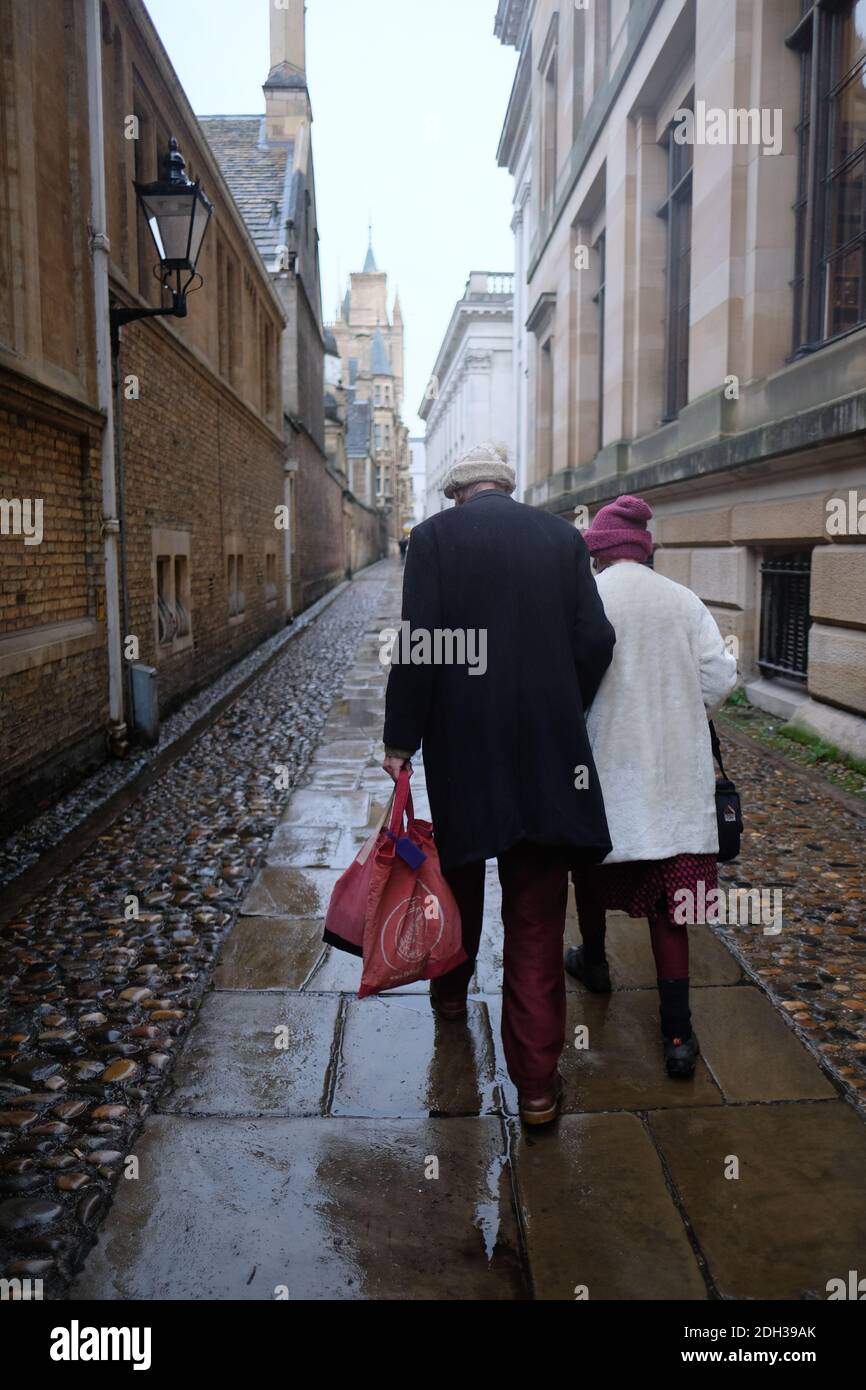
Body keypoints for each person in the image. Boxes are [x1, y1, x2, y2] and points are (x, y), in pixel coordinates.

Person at [382, 441, 615, 1125]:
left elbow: (419, 648)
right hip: (546, 753)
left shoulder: (432, 541)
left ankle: (450, 998)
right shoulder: (561, 538)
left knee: (458, 878)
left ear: (457, 492)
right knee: (538, 918)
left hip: (465, 750)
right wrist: (562, 701)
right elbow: (596, 639)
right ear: (508, 487)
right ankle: (538, 1088)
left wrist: (402, 741)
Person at [566, 495, 738, 1078]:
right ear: (643, 549)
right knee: (673, 908)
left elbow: (568, 680)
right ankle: (678, 1037)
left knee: (589, 878)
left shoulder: (590, 597)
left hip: (606, 776)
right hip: (674, 783)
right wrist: (684, 709)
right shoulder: (683, 600)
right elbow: (718, 676)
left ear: (602, 553)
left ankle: (594, 964)